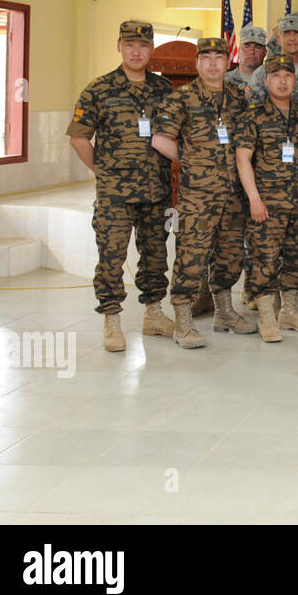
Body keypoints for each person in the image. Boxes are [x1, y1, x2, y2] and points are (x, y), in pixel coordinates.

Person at [66, 19, 176, 352]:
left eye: (143, 45)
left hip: (155, 190)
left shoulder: (163, 89)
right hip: (115, 195)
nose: (136, 51)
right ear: (119, 46)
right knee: (111, 258)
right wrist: (103, 170)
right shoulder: (99, 89)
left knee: (156, 256)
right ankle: (111, 321)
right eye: (130, 45)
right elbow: (79, 138)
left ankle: (154, 314)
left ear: (151, 49)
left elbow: (174, 134)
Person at [152, 37, 254, 348]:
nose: (212, 63)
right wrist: (194, 161)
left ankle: (224, 312)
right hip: (197, 197)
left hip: (233, 195)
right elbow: (160, 140)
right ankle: (183, 323)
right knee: (190, 258)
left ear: (228, 63)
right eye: (206, 57)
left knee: (231, 255)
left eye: (218, 57)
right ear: (197, 63)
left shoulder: (238, 97)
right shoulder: (181, 99)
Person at [235, 55, 298, 343]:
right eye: (276, 76)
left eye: (288, 75)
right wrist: (254, 200)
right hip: (267, 205)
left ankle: (290, 311)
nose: (283, 81)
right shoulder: (254, 115)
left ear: (295, 80)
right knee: (265, 261)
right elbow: (243, 160)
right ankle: (267, 317)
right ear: (266, 80)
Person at [248, 13, 298, 107]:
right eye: (287, 33)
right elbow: (252, 108)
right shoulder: (261, 73)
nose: (292, 38)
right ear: (279, 39)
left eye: (297, 33)